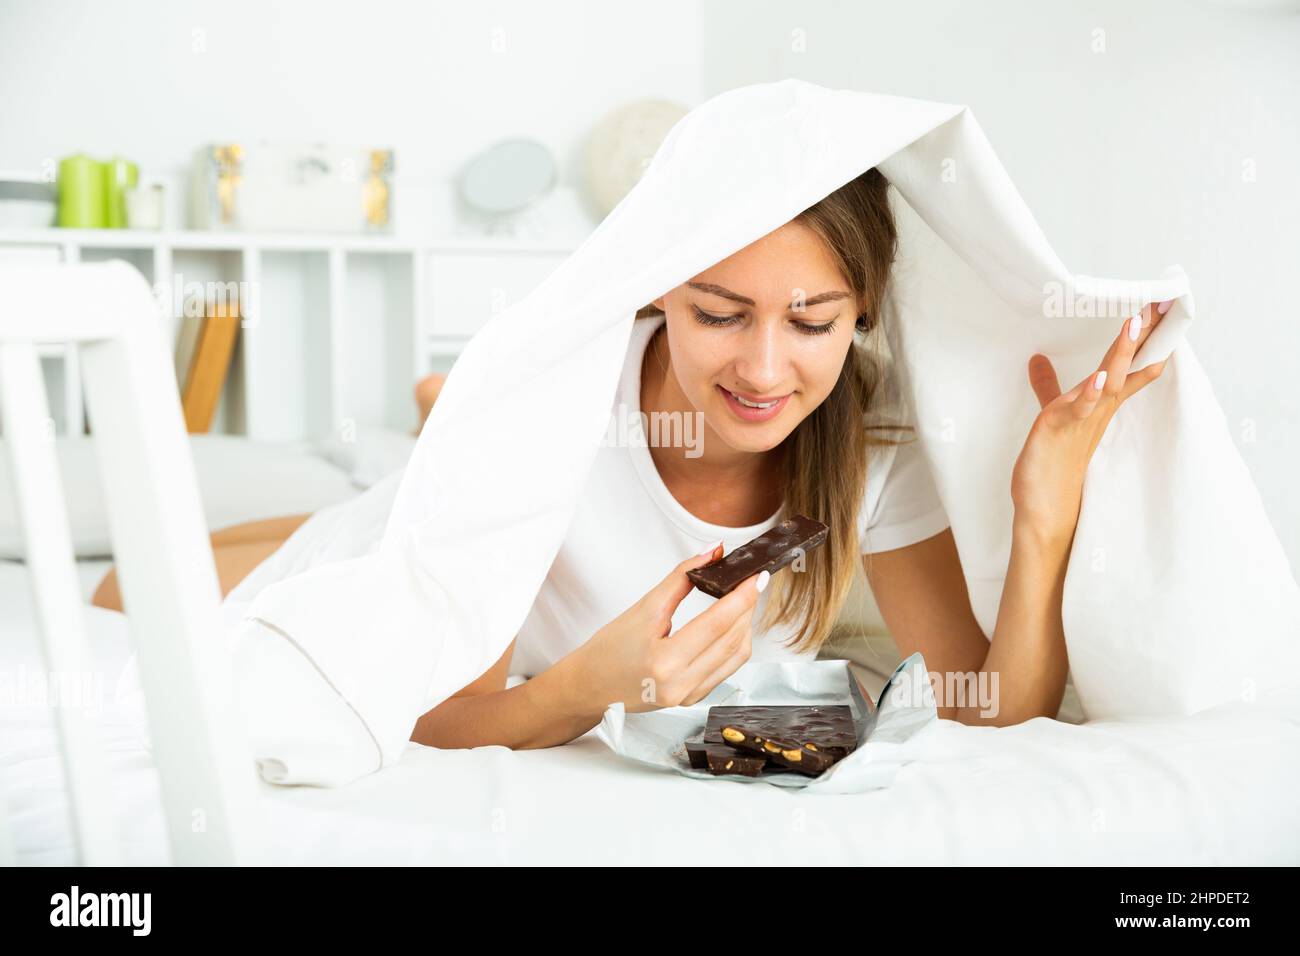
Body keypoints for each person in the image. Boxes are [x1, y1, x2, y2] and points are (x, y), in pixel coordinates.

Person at [93, 167, 1169, 745]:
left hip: (488, 531)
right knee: (122, 582)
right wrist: (587, 687)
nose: (763, 367)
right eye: (718, 312)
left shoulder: (877, 436)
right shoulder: (559, 402)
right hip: (422, 557)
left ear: (863, 310)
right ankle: (400, 469)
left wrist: (1042, 514)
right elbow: (434, 710)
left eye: (811, 321)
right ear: (658, 286)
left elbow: (996, 705)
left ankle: (413, 452)